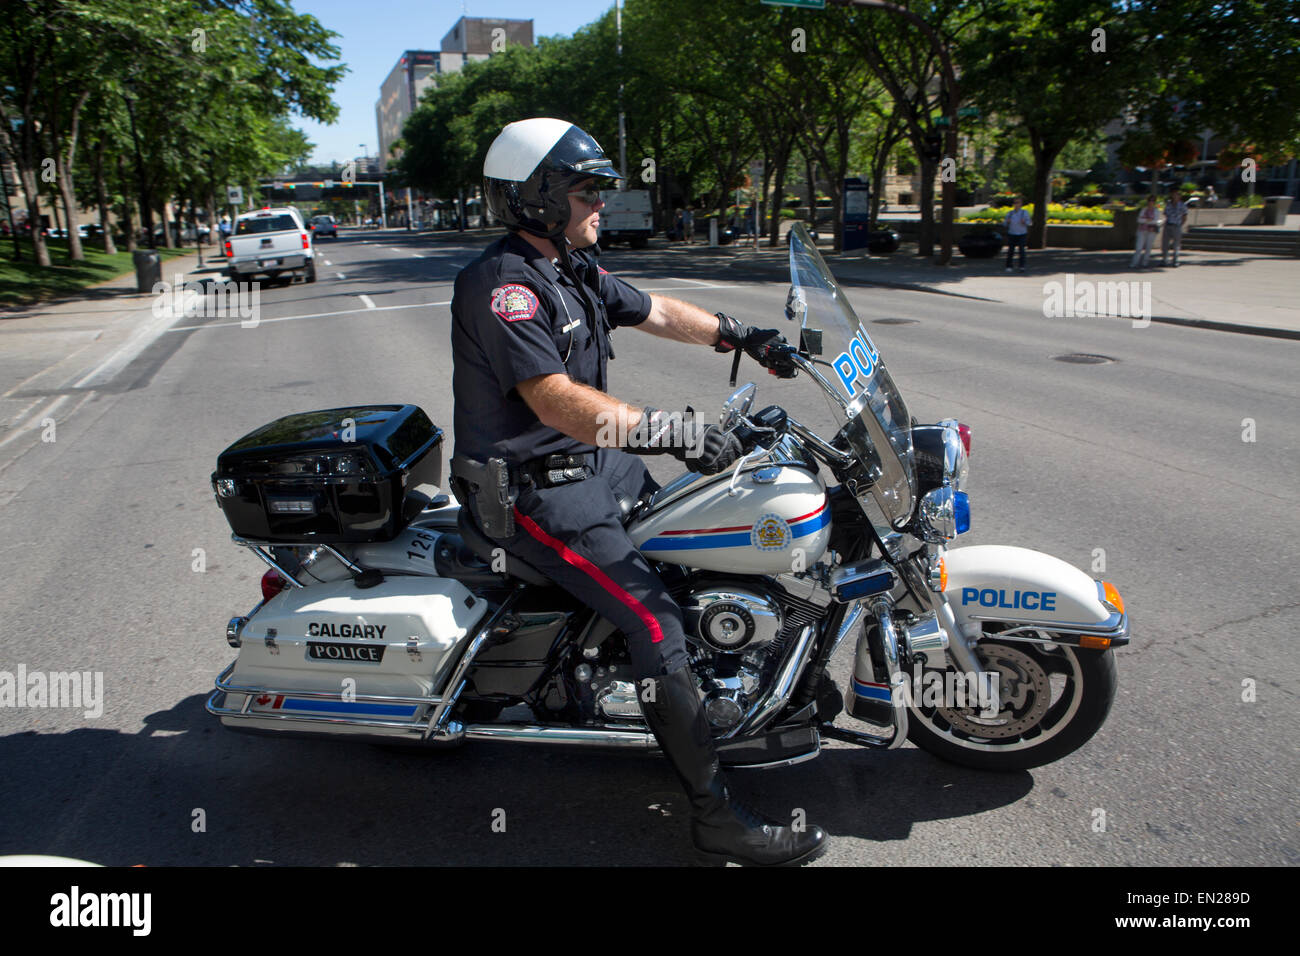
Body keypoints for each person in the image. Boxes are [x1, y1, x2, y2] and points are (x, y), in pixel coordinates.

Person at [450, 117, 827, 866]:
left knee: (698, 540)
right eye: (585, 189)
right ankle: (714, 816)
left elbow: (654, 310)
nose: (599, 203)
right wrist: (672, 431)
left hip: (596, 468)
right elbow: (555, 400)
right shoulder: (505, 287)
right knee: (656, 624)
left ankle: (752, 693)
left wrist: (740, 334)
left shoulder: (567, 266)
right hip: (537, 491)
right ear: (537, 195)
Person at [1131, 195, 1161, 268]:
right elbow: (1139, 220)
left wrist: (1146, 221)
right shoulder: (1144, 210)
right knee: (1139, 247)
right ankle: (1134, 263)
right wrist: (1147, 220)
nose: (1151, 202)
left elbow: (1156, 221)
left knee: (1148, 247)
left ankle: (1145, 263)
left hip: (1151, 231)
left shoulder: (1156, 211)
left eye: (1153, 201)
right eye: (1150, 201)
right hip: (1142, 230)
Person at [1162, 188, 1189, 267]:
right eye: (1173, 194)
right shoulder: (1168, 204)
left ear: (1179, 196)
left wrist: (1180, 224)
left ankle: (1175, 261)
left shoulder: (1182, 205)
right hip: (1168, 225)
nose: (1175, 196)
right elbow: (1165, 213)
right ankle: (1165, 260)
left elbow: (1185, 216)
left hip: (1177, 226)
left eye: (1177, 194)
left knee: (1176, 244)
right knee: (1165, 244)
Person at [1003, 197, 1031, 272]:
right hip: (1012, 233)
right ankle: (1009, 266)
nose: (1016, 204)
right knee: (1010, 251)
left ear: (1021, 204)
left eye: (1018, 203)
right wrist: (1007, 222)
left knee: (1022, 250)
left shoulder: (1024, 213)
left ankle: (1022, 266)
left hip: (1022, 234)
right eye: (1015, 203)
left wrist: (1024, 222)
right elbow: (1004, 224)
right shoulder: (1010, 213)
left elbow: (1029, 222)